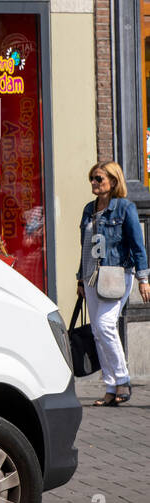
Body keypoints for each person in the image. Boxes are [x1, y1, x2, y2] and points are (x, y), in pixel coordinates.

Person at [78, 162, 150, 406]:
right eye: (92, 178)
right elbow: (85, 247)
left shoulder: (125, 208)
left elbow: (138, 246)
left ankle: (123, 379)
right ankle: (110, 387)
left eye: (98, 178)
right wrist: (80, 278)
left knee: (105, 325)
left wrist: (143, 279)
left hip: (116, 275)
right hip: (91, 276)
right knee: (97, 333)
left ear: (113, 181)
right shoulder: (89, 209)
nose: (94, 183)